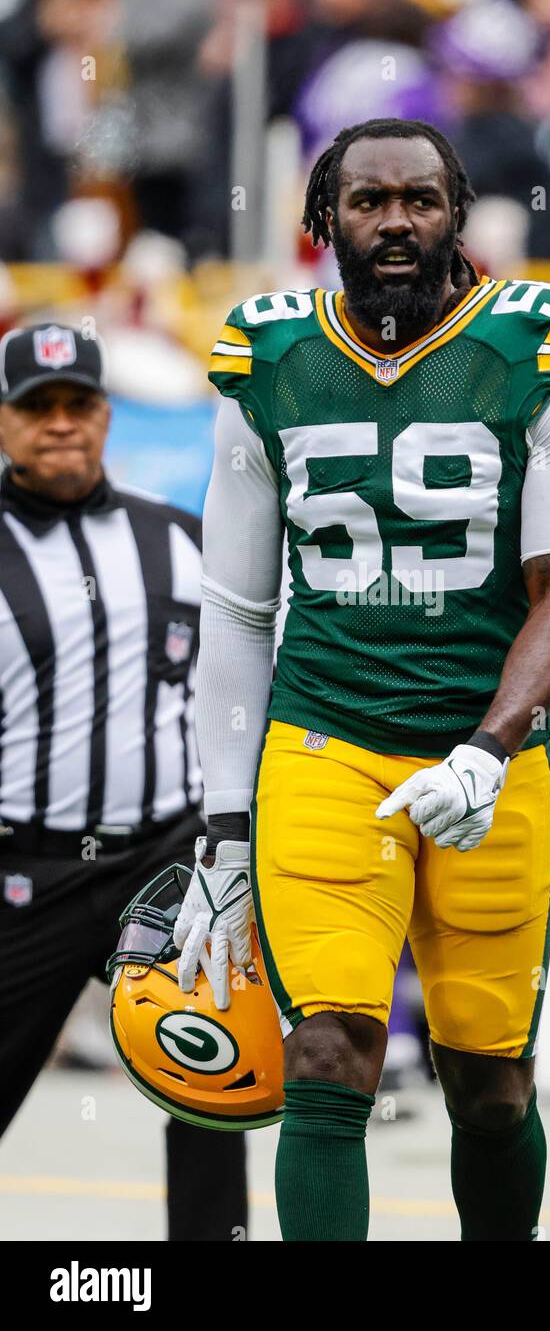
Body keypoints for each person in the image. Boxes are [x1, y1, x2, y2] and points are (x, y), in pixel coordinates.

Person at [186, 116, 550, 1242]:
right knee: (327, 1048)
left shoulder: (538, 342)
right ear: (321, 219)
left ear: (459, 211)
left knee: (488, 1081)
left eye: (421, 200)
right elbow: (239, 608)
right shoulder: (266, 356)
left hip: (486, 747)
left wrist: (492, 748)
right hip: (324, 740)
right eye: (366, 201)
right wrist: (223, 821)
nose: (395, 222)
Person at [0, 322, 247, 1240]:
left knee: (213, 1078)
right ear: (5, 423)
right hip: (27, 868)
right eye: (37, 409)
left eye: (78, 405)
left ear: (106, 415)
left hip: (165, 857)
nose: (59, 425)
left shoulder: (183, 541)